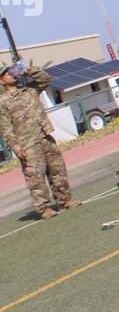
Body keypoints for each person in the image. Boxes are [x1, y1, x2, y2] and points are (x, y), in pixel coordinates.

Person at [0, 62, 81, 218]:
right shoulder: (2, 102)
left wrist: (27, 70)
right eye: (7, 73)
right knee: (36, 177)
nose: (11, 73)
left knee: (58, 170)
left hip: (45, 136)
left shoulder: (30, 90)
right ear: (1, 81)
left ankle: (65, 200)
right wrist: (15, 146)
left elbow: (45, 79)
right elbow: (5, 127)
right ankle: (43, 209)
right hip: (27, 143)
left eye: (11, 71)